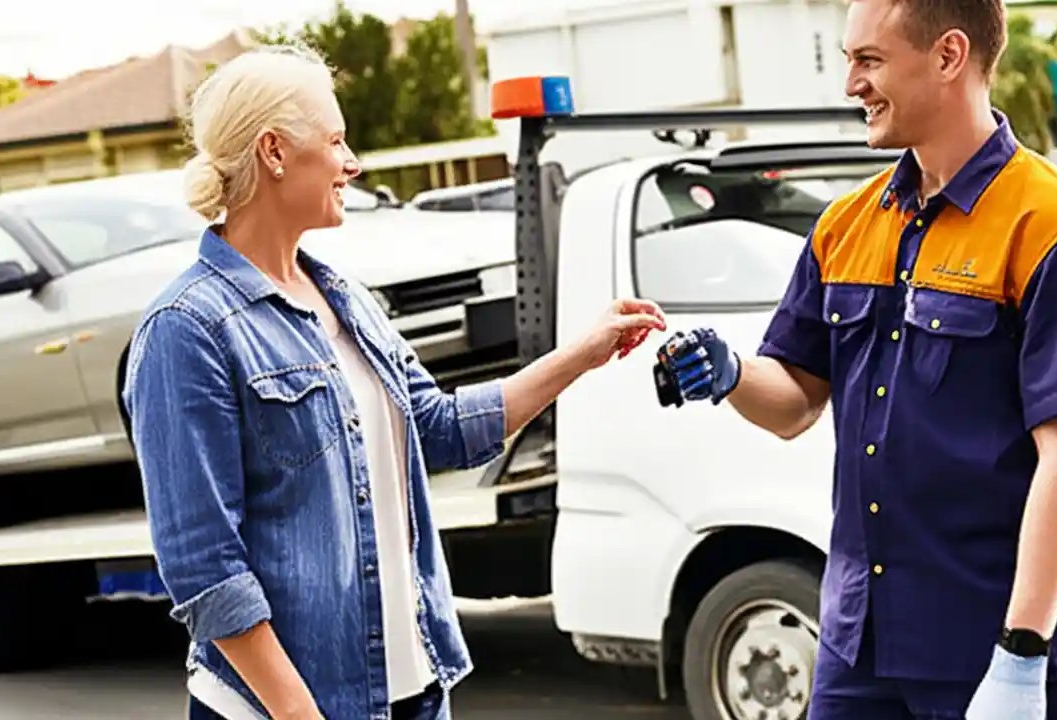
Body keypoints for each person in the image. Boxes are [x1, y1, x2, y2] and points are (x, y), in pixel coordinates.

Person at [121, 45, 665, 720]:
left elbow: (440, 430)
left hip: (409, 693)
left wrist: (582, 353)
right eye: (337, 140)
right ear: (274, 152)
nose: (353, 163)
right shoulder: (187, 329)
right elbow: (206, 567)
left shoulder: (345, 297)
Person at [659, 1, 1057, 718]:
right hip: (861, 644)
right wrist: (728, 373)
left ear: (947, 57)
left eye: (868, 60)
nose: (852, 83)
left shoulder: (1055, 227)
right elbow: (794, 401)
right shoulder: (844, 227)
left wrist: (1024, 654)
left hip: (993, 643)